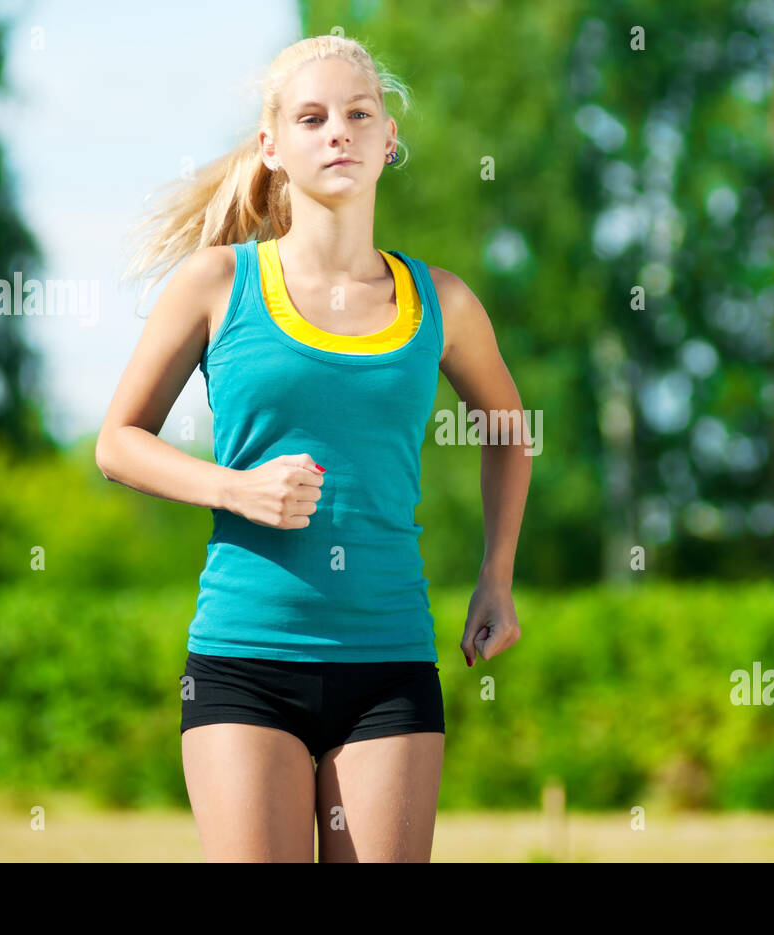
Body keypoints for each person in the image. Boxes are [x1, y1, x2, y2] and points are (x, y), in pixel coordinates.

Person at [96, 34, 531, 862]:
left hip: (392, 661)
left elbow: (511, 431)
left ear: (388, 139)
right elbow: (117, 442)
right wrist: (236, 488)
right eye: (313, 116)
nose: (339, 131)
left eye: (359, 114)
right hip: (243, 661)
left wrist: (496, 575)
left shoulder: (441, 301)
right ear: (273, 147)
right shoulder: (218, 283)